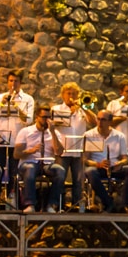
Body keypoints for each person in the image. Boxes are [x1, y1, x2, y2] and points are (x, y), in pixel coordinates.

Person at [0, 71, 35, 199]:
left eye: (16, 81)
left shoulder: (28, 99)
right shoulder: (0, 97)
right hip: (1, 139)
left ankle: (12, 198)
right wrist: (2, 104)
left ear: (20, 82)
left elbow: (29, 120)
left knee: (14, 172)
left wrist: (17, 107)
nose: (13, 84)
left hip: (17, 140)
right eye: (10, 81)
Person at [12, 106, 66, 213]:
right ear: (37, 117)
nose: (47, 120)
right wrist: (30, 151)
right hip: (29, 162)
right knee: (30, 169)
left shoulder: (55, 133)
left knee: (60, 170)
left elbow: (59, 152)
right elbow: (16, 154)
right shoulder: (25, 132)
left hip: (47, 163)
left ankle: (51, 204)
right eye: (44, 117)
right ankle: (30, 204)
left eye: (49, 117)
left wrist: (53, 132)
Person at [82, 111, 128, 212]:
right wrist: (98, 164)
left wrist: (119, 163)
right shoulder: (89, 135)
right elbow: (85, 159)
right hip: (98, 167)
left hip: (114, 167)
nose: (100, 122)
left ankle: (124, 204)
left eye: (103, 120)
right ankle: (108, 202)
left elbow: (125, 158)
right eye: (98, 119)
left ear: (110, 121)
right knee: (90, 171)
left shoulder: (119, 136)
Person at [51, 82, 94, 211]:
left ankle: (77, 206)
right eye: (68, 93)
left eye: (74, 94)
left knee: (79, 180)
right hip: (62, 150)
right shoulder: (56, 109)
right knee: (60, 179)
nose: (71, 96)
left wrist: (83, 108)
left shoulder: (82, 110)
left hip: (79, 150)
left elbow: (94, 121)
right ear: (63, 95)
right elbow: (54, 125)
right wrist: (69, 113)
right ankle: (59, 205)